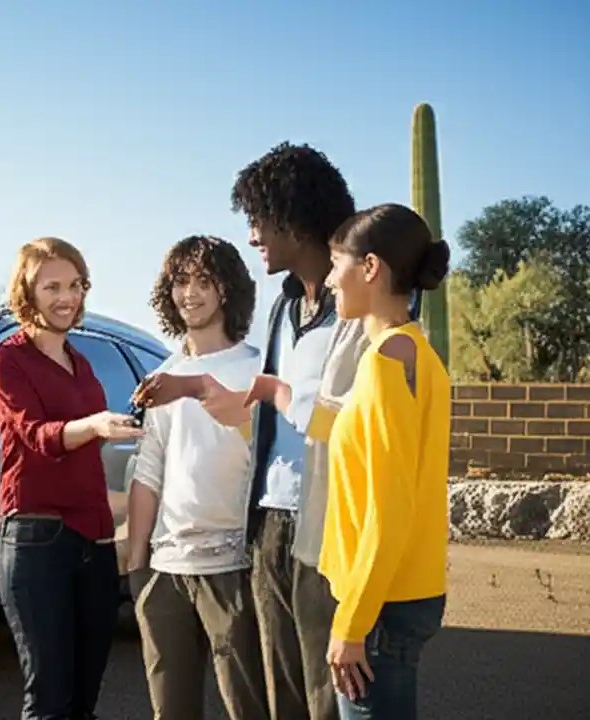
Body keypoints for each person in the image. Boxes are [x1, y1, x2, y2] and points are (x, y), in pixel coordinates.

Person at [138, 142, 368, 720]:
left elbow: (352, 427)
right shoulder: (283, 311)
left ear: (291, 217)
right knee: (280, 697)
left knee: (327, 696)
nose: (253, 234)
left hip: (322, 527)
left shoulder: (361, 315)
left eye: (258, 220)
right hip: (267, 530)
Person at [0, 236, 143, 720]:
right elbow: (36, 434)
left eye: (74, 285)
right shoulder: (5, 360)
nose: (66, 297)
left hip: (92, 542)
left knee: (83, 701)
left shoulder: (83, 364)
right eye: (51, 286)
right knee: (49, 701)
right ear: (26, 292)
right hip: (37, 542)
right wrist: (94, 426)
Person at [126, 236, 270, 720]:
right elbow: (149, 471)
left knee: (249, 708)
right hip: (167, 571)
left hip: (236, 566)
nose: (190, 292)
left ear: (227, 289)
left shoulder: (257, 367)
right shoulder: (165, 374)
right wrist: (137, 565)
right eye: (180, 281)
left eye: (203, 281)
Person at [316, 203, 451, 719]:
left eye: (336, 264)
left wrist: (352, 624)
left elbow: (389, 506)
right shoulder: (417, 353)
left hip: (380, 605)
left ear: (370, 268)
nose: (330, 280)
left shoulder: (386, 361)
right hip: (395, 594)